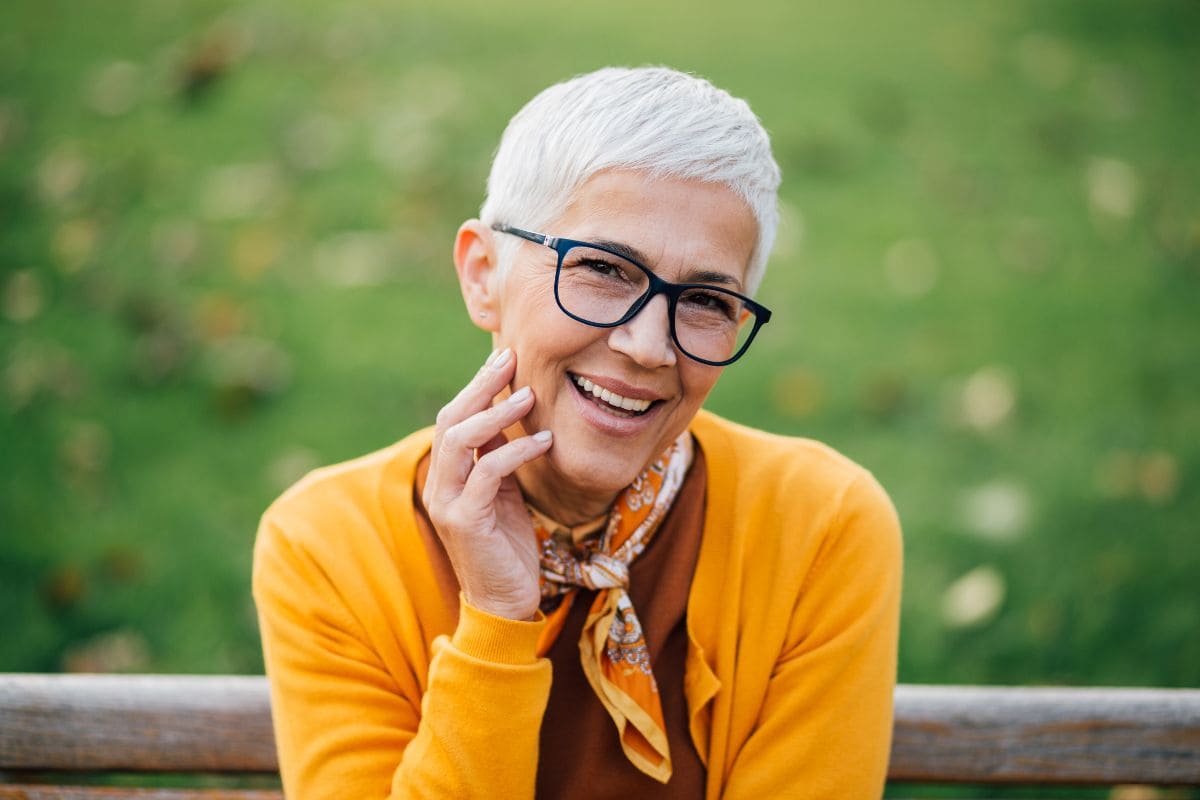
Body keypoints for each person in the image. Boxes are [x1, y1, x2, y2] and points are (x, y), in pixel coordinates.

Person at [253, 66, 902, 799]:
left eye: (706, 302)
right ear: (482, 274)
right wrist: (497, 623)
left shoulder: (819, 527)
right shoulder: (331, 546)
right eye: (603, 269)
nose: (649, 346)